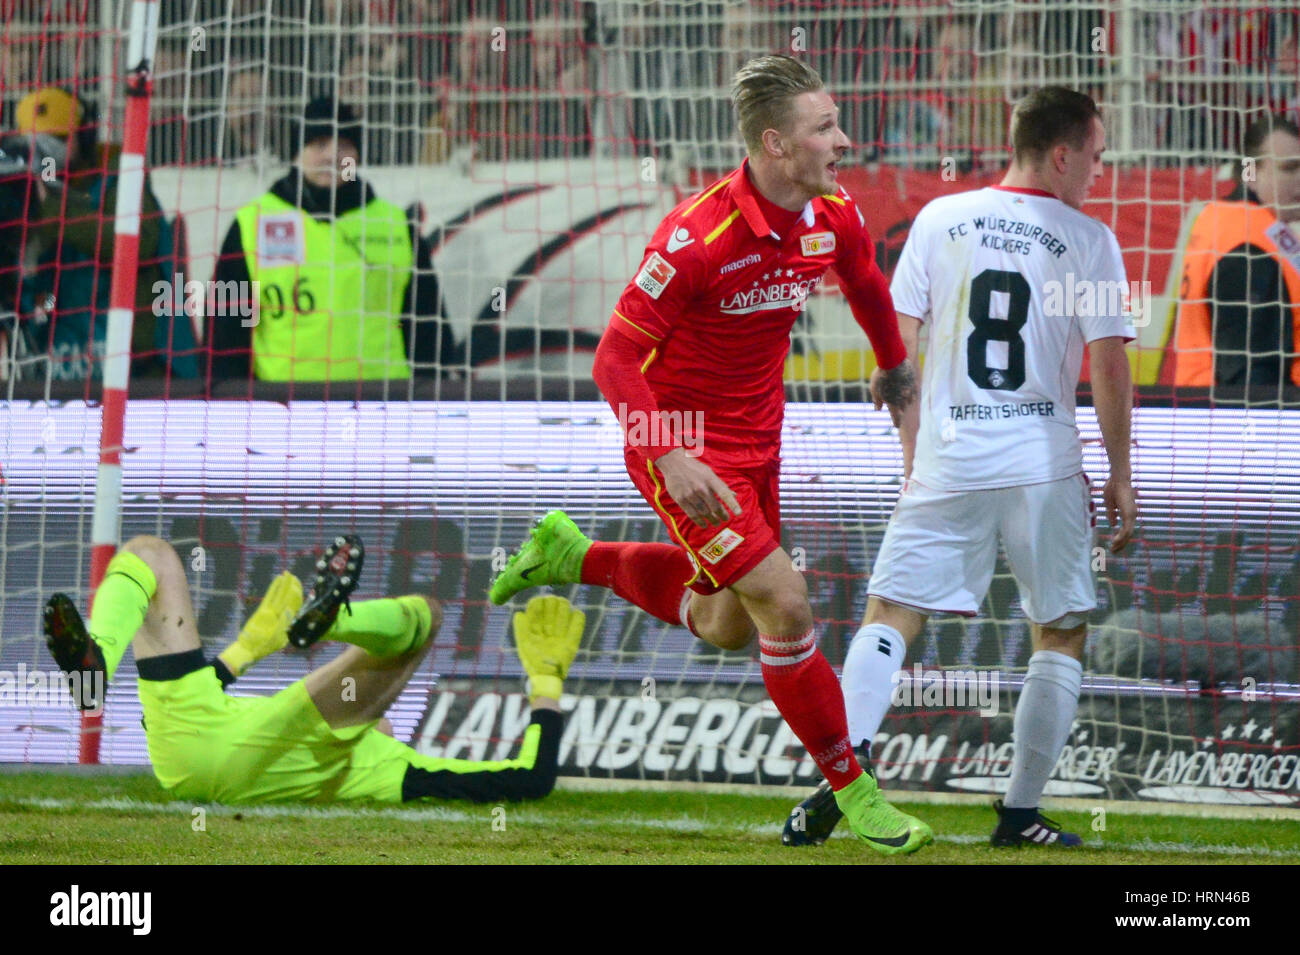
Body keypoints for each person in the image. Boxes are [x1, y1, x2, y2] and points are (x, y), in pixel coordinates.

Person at [489, 54, 931, 855]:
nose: (843, 139)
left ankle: (575, 554)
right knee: (787, 604)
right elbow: (613, 363)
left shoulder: (832, 211)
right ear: (775, 144)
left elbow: (865, 279)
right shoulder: (696, 237)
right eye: (823, 127)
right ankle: (854, 789)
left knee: (729, 623)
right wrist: (670, 456)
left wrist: (893, 363)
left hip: (761, 441)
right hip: (680, 443)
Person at [781, 85, 1138, 849]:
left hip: (951, 456)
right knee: (1062, 629)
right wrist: (1120, 471)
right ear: (1062, 153)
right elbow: (1109, 364)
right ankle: (1018, 815)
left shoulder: (940, 219)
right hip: (1044, 463)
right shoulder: (1089, 238)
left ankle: (850, 773)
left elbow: (893, 359)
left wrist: (916, 455)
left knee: (892, 615)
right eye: (1098, 157)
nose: (1100, 173)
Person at [42, 534, 581, 805]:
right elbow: (529, 780)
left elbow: (529, 785)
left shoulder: (380, 762)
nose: (385, 720)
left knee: (429, 616)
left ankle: (336, 620)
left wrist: (246, 653)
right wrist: (546, 685)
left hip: (181, 748)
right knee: (150, 552)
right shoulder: (390, 769)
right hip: (199, 746)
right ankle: (95, 662)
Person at [208, 96, 459, 383]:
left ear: (358, 157)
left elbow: (428, 325)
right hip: (283, 407)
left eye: (345, 146)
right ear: (296, 154)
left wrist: (423, 397)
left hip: (383, 404)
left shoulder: (395, 225)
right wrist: (236, 401)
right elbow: (226, 330)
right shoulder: (253, 223)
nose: (333, 155)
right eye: (319, 144)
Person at [3, 86, 198, 382]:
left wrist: (50, 204)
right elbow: (40, 290)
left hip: (134, 360)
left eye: (58, 140)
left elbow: (134, 245)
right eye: (35, 144)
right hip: (62, 352)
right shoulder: (21, 197)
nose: (47, 155)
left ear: (84, 136)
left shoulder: (122, 179)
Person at [1172, 113, 1300, 393]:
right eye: (1289, 169)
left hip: (1203, 410)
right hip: (1243, 422)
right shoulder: (1249, 246)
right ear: (1250, 174)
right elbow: (1251, 378)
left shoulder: (1221, 221)